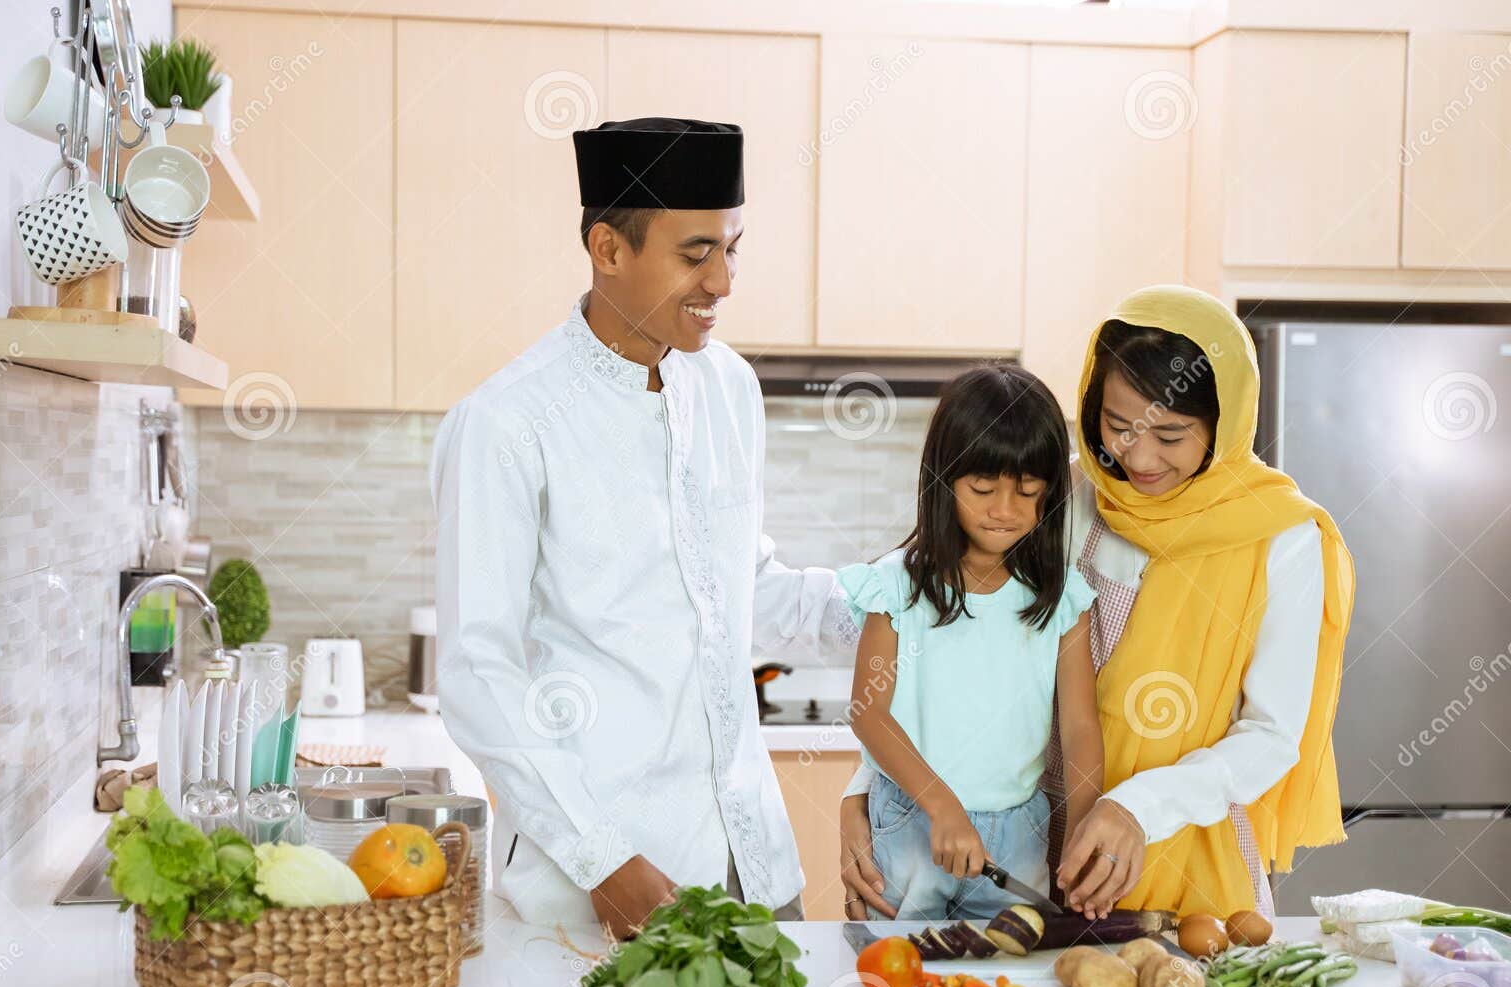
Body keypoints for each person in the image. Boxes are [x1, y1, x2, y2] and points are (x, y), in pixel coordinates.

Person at [430, 117, 858, 937]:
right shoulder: (505, 424)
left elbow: (741, 593)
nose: (723, 280)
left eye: (733, 249)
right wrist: (600, 858)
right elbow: (480, 669)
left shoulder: (730, 388)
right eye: (696, 254)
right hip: (606, 882)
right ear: (608, 249)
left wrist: (905, 602)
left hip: (756, 870)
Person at [842, 285, 1354, 922]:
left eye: (1170, 435)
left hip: (1183, 844)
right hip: (1036, 844)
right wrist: (870, 798)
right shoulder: (1069, 494)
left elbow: (1272, 737)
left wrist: (1138, 808)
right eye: (1118, 426)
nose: (1138, 457)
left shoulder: (1283, 538)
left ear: (1223, 424)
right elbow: (951, 665)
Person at [838, 364, 1103, 922]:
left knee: (1014, 970)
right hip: (913, 820)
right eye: (982, 489)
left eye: (1027, 491)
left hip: (1019, 832)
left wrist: (1082, 832)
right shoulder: (895, 588)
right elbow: (868, 713)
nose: (1005, 510)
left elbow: (1080, 727)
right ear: (944, 480)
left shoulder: (1062, 598)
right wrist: (942, 806)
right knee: (897, 967)